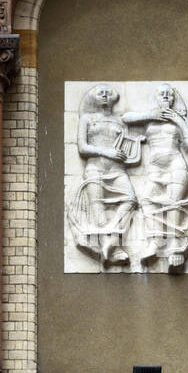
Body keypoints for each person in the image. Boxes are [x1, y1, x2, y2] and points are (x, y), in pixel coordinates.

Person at [123, 84, 188, 270]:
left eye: (170, 94)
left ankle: (175, 248)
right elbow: (126, 118)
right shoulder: (150, 119)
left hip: (176, 164)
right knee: (147, 200)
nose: (166, 96)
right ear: (156, 98)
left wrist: (179, 121)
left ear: (174, 99)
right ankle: (155, 242)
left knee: (173, 203)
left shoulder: (179, 119)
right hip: (155, 167)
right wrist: (153, 115)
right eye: (162, 93)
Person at [67, 85, 139, 267]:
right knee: (97, 208)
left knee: (130, 200)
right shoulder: (87, 118)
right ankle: (112, 249)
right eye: (100, 93)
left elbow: (125, 145)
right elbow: (83, 148)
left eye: (108, 92)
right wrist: (107, 152)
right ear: (95, 98)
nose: (105, 95)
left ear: (114, 98)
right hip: (95, 169)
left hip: (117, 170)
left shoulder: (120, 121)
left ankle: (111, 240)